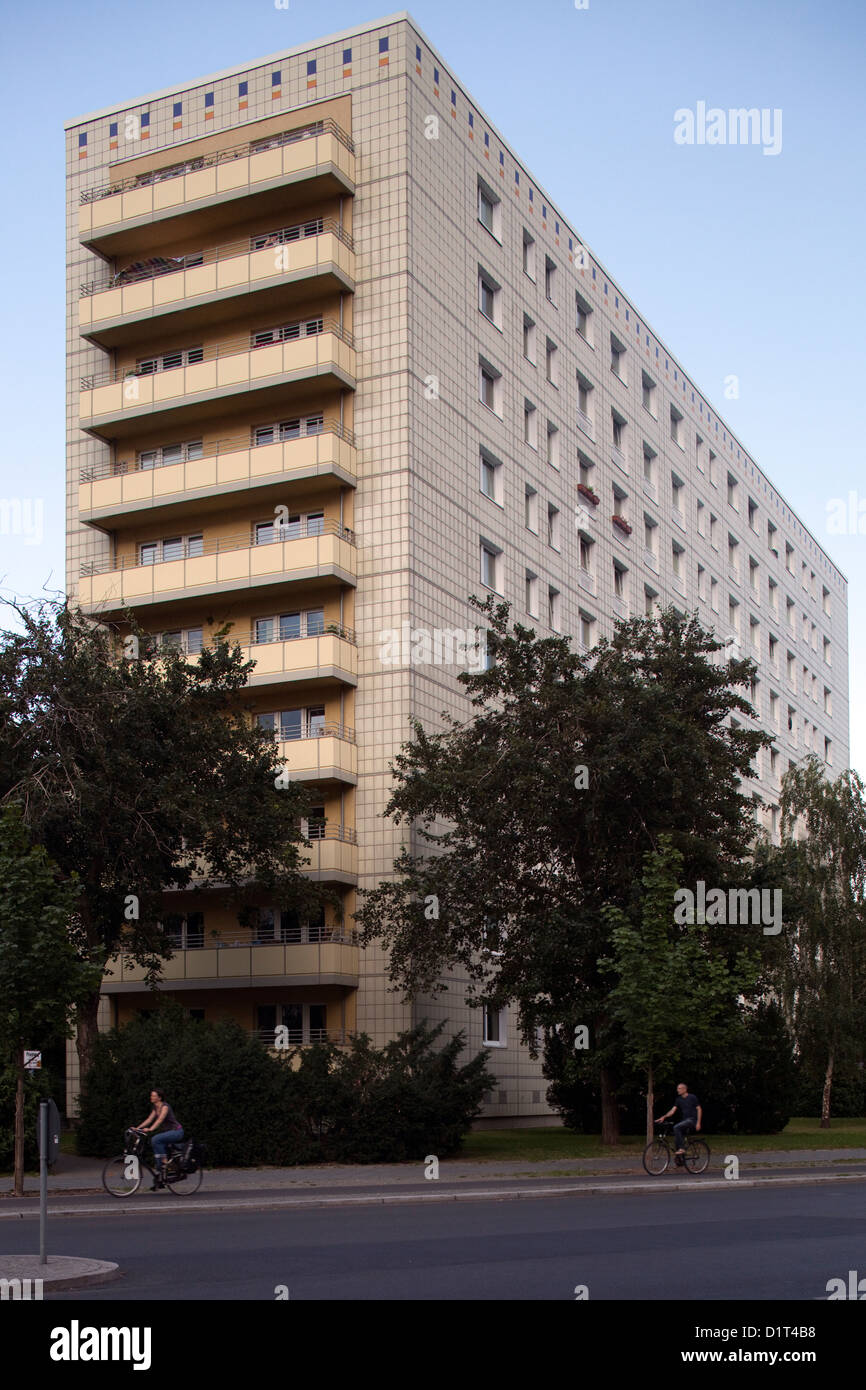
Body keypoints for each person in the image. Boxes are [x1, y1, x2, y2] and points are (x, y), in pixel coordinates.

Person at [134, 1087, 184, 1190]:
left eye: (153, 1096)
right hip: (169, 1133)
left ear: (159, 1098)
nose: (151, 1097)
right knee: (155, 1143)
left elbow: (160, 1119)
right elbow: (149, 1119)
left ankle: (165, 1163)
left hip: (177, 1132)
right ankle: (162, 1176)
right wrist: (137, 1128)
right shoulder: (155, 1107)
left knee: (156, 1139)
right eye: (151, 1095)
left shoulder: (165, 1107)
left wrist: (150, 1129)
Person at [657, 1083, 702, 1165]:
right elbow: (672, 1111)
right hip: (685, 1121)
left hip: (692, 1120)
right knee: (677, 1139)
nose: (678, 1090)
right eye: (677, 1088)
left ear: (685, 1089)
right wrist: (664, 1117)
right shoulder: (678, 1099)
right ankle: (680, 1160)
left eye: (679, 1088)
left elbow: (699, 1109)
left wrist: (698, 1122)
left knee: (676, 1127)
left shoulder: (692, 1097)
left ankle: (682, 1149)